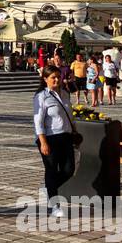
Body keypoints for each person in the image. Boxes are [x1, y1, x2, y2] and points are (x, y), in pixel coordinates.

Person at [34, 63, 76, 199]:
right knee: (51, 170)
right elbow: (38, 121)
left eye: (58, 77)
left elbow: (69, 116)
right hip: (50, 138)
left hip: (66, 137)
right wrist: (43, 142)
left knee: (69, 170)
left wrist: (74, 132)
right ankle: (53, 202)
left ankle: (49, 188)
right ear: (45, 79)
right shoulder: (41, 96)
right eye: (53, 77)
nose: (57, 80)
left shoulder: (64, 94)